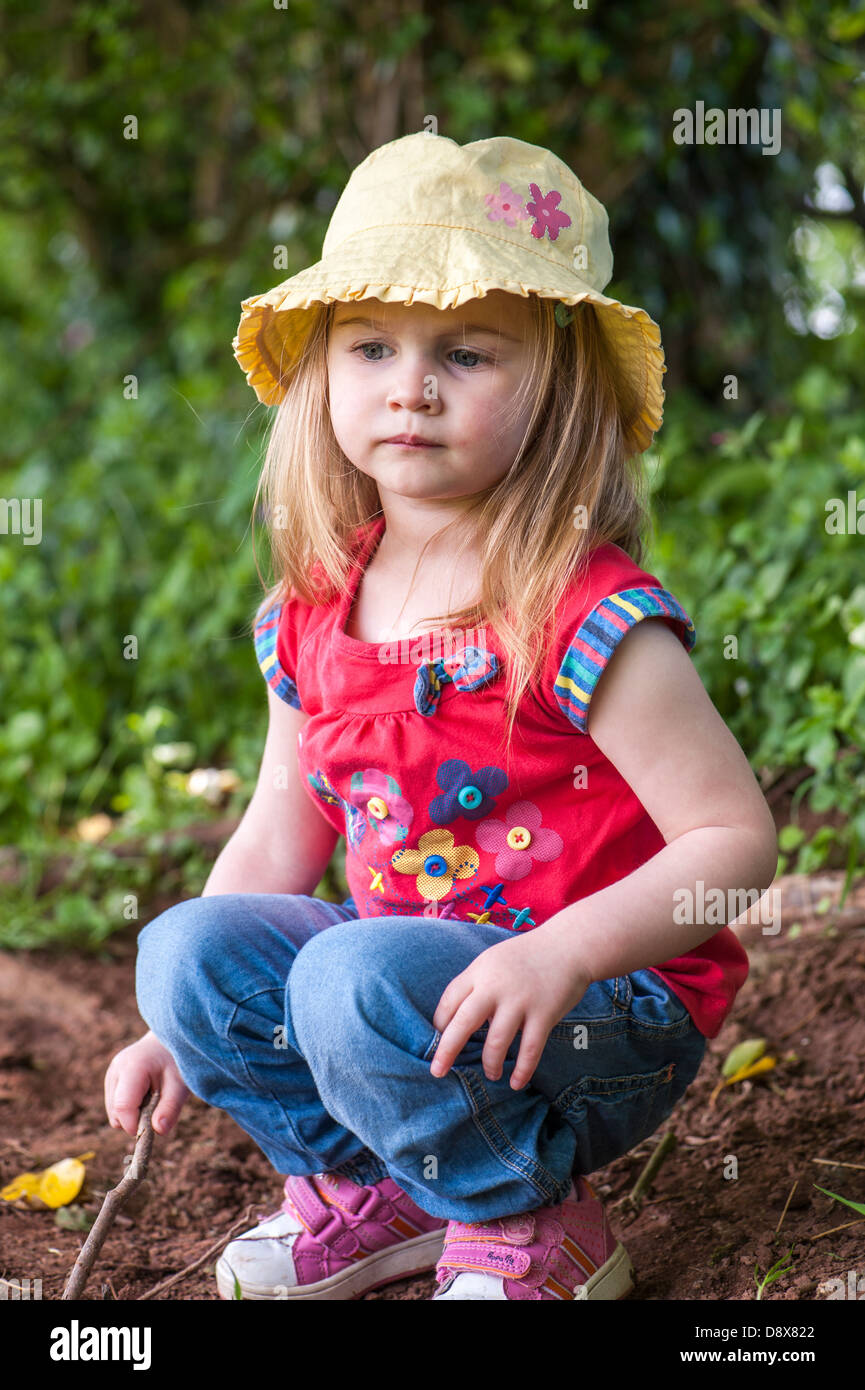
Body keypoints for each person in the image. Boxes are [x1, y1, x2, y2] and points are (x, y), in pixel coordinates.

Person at [104, 132, 778, 1302]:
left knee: (351, 977)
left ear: (559, 387)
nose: (410, 384)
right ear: (323, 375)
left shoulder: (582, 611)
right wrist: (182, 1025)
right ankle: (386, 1190)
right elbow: (276, 833)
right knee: (186, 951)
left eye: (464, 353)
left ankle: (534, 1219)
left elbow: (733, 844)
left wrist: (562, 950)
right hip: (401, 1003)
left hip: (592, 1012)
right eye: (371, 346)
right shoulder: (316, 610)